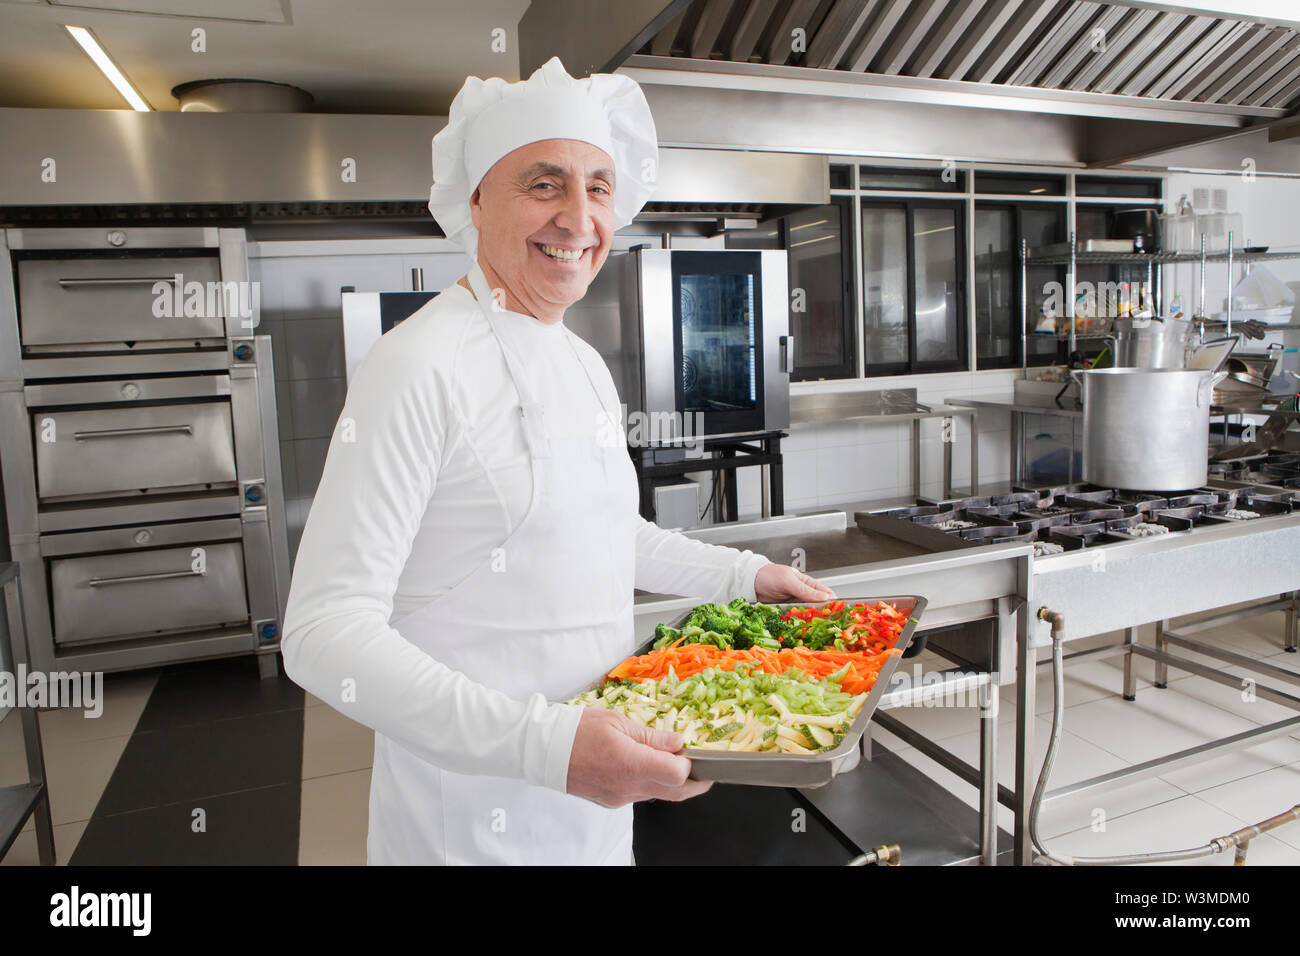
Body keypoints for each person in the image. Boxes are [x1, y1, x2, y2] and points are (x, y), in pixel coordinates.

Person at [280, 57, 834, 866]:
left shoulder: (580, 363)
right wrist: (546, 746)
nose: (578, 218)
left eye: (600, 188)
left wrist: (743, 576)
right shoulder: (415, 365)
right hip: (463, 828)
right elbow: (323, 633)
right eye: (544, 185)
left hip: (597, 810)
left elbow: (610, 532)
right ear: (475, 200)